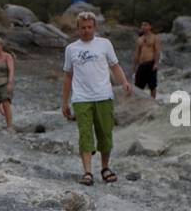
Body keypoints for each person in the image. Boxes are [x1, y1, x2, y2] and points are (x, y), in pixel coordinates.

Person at [61, 12, 131, 186]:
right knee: (85, 134)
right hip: (81, 98)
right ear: (78, 29)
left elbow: (115, 66)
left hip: (103, 95)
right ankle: (87, 172)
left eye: (89, 27)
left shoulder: (104, 44)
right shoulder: (71, 49)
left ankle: (105, 168)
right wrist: (64, 101)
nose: (86, 31)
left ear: (95, 27)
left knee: (105, 133)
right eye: (83, 28)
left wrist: (124, 82)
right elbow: (68, 76)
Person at [133, 20, 161, 98]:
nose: (143, 27)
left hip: (151, 63)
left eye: (145, 25)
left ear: (150, 27)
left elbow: (157, 51)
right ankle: (139, 101)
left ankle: (153, 101)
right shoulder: (139, 39)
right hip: (141, 64)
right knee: (138, 85)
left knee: (152, 85)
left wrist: (156, 63)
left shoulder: (155, 38)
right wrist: (135, 67)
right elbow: (137, 53)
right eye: (142, 25)